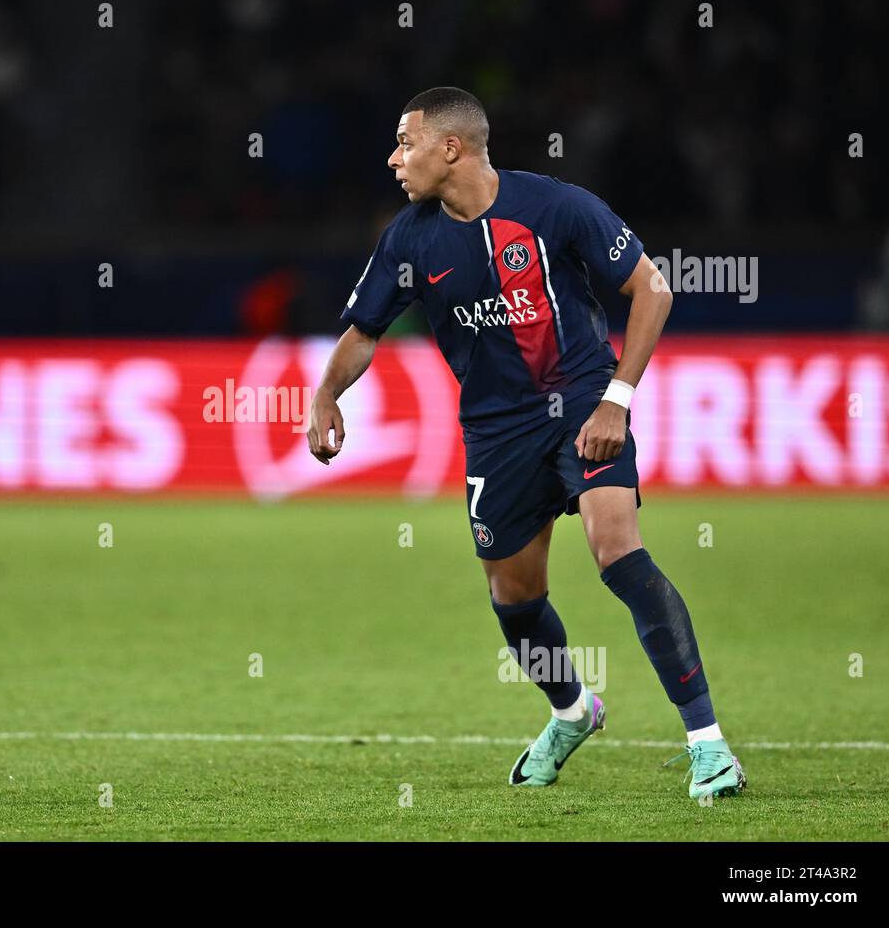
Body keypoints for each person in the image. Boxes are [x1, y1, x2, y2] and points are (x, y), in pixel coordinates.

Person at [306, 87, 745, 803]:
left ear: (452, 148)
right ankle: (572, 711)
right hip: (495, 428)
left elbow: (653, 290)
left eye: (405, 142)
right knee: (514, 598)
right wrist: (326, 393)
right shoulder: (410, 238)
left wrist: (616, 400)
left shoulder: (554, 206)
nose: (394, 159)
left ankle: (708, 744)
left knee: (618, 551)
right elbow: (363, 331)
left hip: (579, 400)